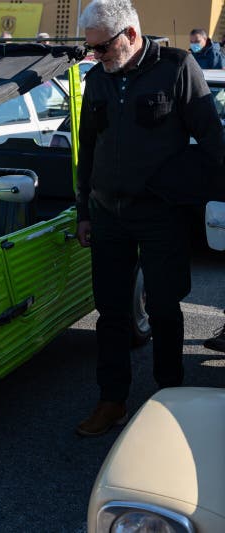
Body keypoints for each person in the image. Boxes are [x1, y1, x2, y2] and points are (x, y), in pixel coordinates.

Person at [74, 0, 225, 437]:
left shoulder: (178, 67)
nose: (96, 57)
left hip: (161, 216)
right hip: (108, 216)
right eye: (92, 50)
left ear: (132, 36)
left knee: (163, 308)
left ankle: (168, 400)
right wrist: (85, 210)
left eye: (101, 48)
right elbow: (89, 149)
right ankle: (112, 401)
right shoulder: (98, 78)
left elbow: (212, 141)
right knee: (111, 312)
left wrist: (191, 193)